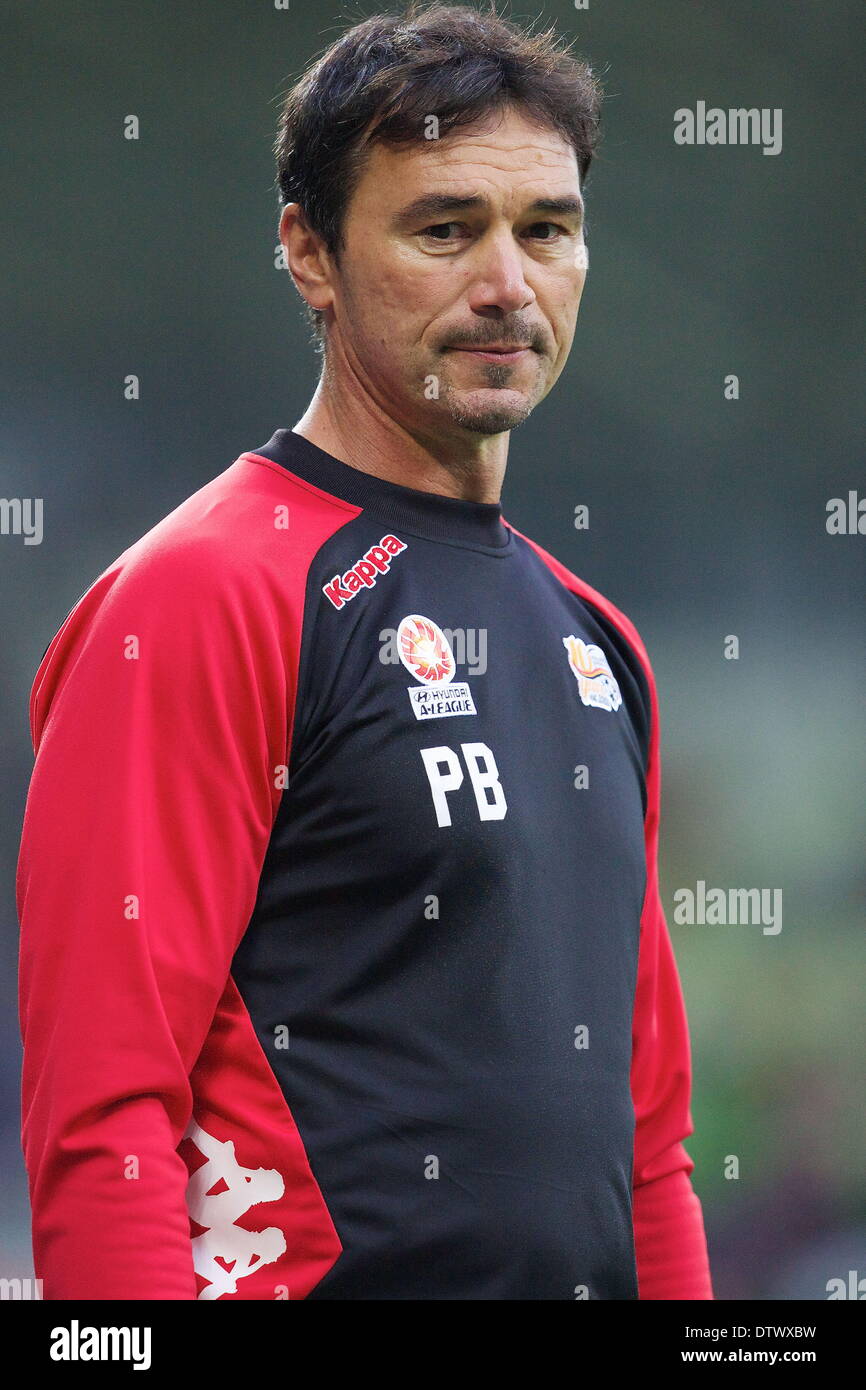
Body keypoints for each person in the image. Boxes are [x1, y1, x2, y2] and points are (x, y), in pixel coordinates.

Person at [17, 1, 713, 1299]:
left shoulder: (597, 644)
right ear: (310, 254)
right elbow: (102, 1117)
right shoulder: (203, 594)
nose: (507, 281)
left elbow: (652, 1147)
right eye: (444, 228)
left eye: (545, 231)